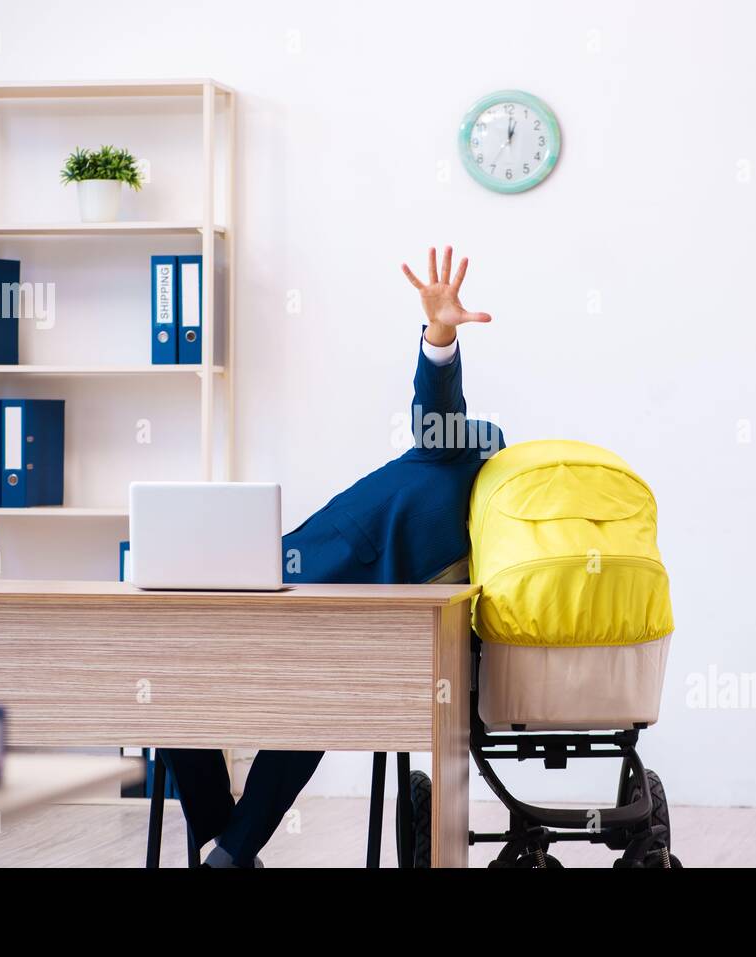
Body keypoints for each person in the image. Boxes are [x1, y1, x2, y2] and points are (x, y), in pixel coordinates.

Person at [159, 246, 504, 867]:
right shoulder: (464, 456)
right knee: (180, 679)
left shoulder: (507, 559)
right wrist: (441, 333)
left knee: (322, 694)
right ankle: (224, 844)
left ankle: (227, 855)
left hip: (353, 649)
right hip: (286, 582)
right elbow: (437, 412)